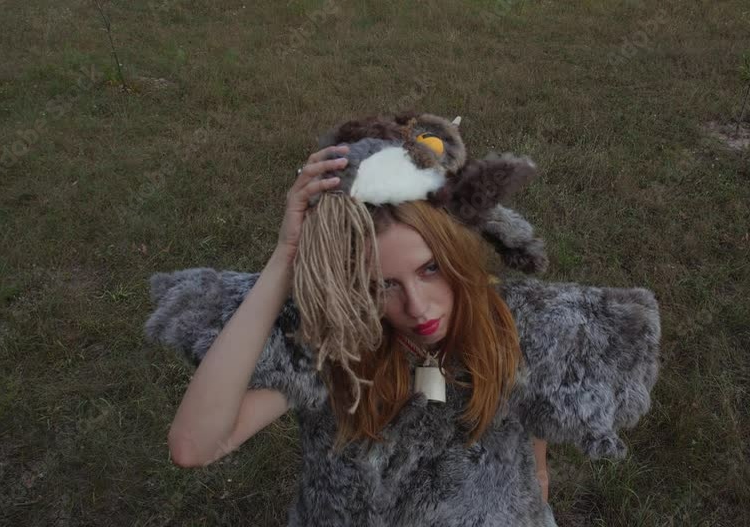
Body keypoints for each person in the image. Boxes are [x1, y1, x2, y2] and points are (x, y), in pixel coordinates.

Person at [167, 144, 558, 524]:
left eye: (430, 269)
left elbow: (532, 408)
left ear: (456, 251)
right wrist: (285, 261)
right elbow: (194, 445)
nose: (418, 307)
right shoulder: (335, 344)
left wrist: (539, 480)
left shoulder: (510, 321)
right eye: (383, 285)